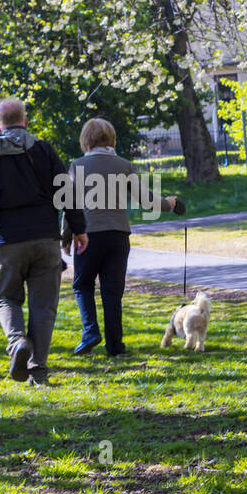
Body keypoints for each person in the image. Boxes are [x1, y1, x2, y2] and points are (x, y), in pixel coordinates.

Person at [0, 98, 87, 386]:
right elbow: (66, 191)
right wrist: (78, 229)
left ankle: (17, 341)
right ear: (26, 122)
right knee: (43, 307)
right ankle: (38, 372)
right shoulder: (43, 149)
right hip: (45, 240)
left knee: (5, 297)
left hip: (8, 242)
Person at [69, 118, 183, 358]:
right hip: (118, 236)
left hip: (88, 235)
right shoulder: (123, 165)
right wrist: (169, 204)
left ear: (85, 139)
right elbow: (146, 199)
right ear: (111, 138)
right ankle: (115, 347)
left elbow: (70, 206)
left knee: (82, 284)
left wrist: (65, 236)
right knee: (112, 292)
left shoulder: (77, 166)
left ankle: (90, 331)